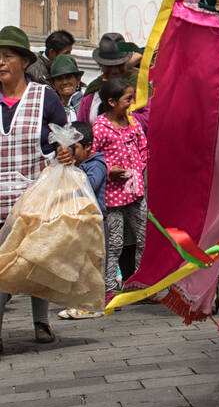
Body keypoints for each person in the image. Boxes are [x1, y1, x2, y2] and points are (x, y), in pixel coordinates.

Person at [0, 25, 67, 352]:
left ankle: (41, 322)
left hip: (34, 197)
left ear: (24, 61)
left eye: (7, 56)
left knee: (37, 262)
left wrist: (69, 150)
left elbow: (65, 138)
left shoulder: (45, 97)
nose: (0, 63)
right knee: (1, 265)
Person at [92, 79, 148, 301]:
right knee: (114, 242)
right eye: (127, 99)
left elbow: (143, 146)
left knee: (144, 237)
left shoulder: (132, 122)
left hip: (135, 192)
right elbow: (91, 157)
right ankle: (108, 288)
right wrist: (108, 169)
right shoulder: (100, 128)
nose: (132, 102)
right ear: (111, 102)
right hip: (113, 197)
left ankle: (140, 285)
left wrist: (138, 168)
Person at [56, 120, 108, 320]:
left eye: (74, 148)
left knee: (91, 266)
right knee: (78, 264)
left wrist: (73, 171)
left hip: (93, 221)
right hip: (78, 221)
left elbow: (90, 185)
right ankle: (80, 303)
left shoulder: (97, 164)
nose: (71, 152)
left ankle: (92, 306)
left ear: (88, 147)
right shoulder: (77, 164)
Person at [76, 33, 138, 125]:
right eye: (109, 66)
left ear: (126, 62)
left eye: (119, 65)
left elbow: (149, 118)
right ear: (100, 64)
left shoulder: (138, 85)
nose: (115, 71)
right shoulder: (93, 90)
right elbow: (82, 125)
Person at [48, 55, 85, 121]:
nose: (64, 82)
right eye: (59, 78)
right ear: (53, 84)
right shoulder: (50, 106)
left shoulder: (85, 104)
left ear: (78, 80)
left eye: (68, 77)